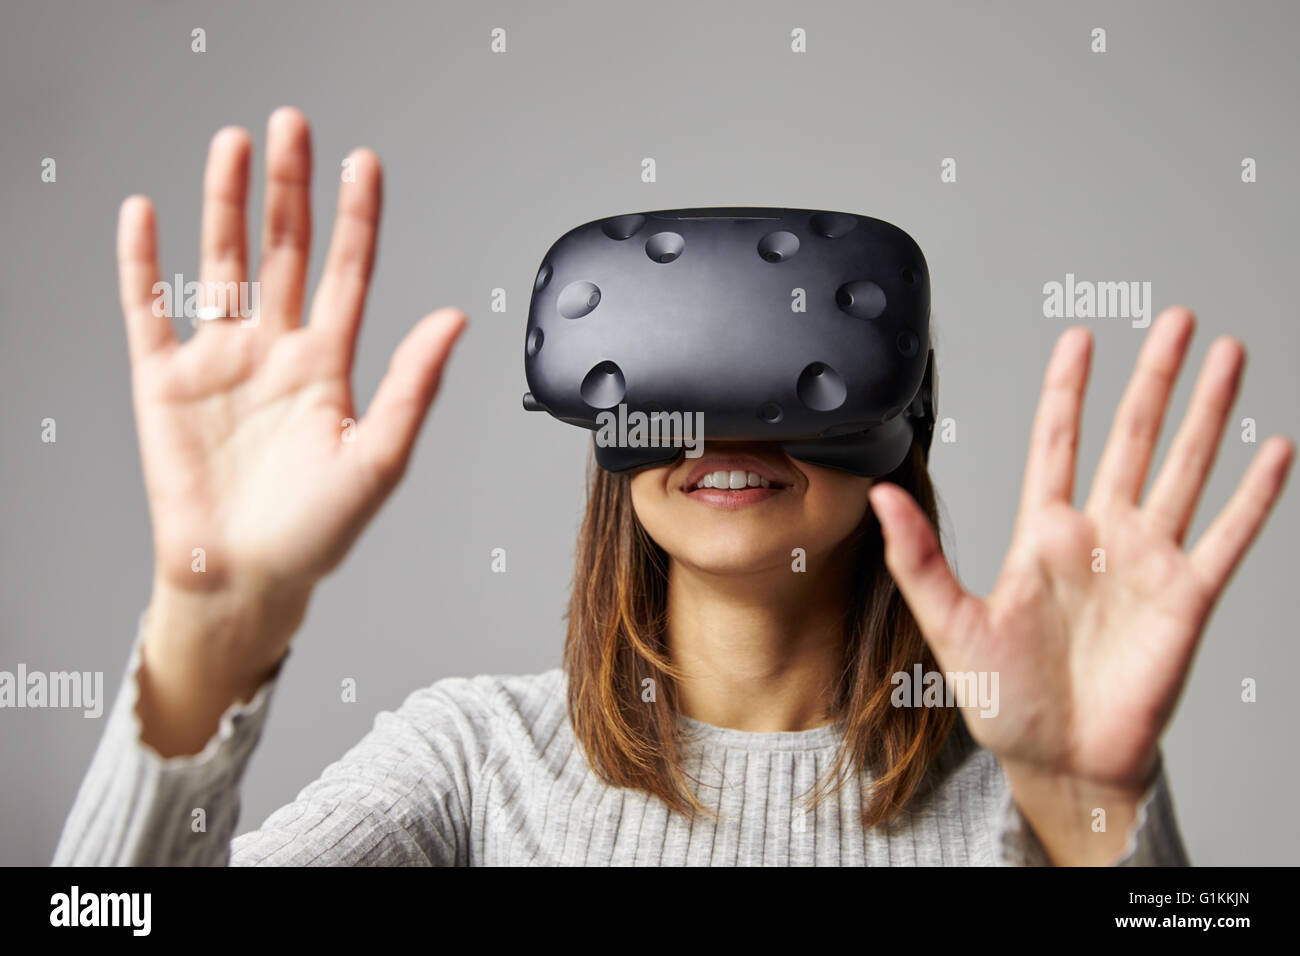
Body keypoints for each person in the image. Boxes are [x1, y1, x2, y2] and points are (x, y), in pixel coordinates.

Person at [53, 108, 1293, 866]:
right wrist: (210, 629)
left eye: (796, 380)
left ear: (901, 423)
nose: (733, 425)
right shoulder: (478, 763)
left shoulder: (1015, 785)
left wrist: (1093, 814)